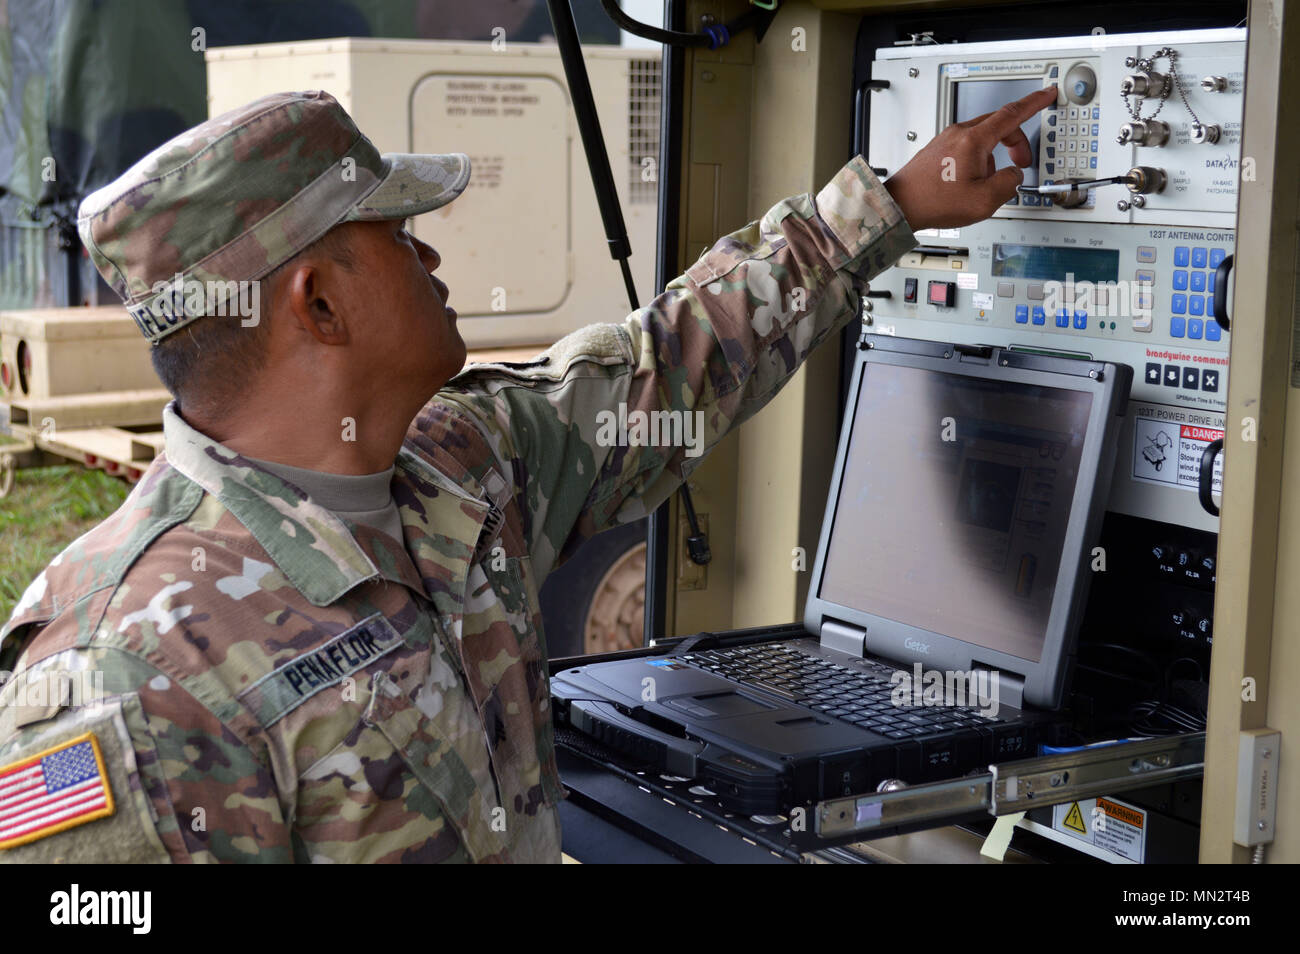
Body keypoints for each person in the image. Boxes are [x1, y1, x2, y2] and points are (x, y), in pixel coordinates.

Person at [0, 85, 1056, 862]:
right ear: (318, 304)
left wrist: (888, 208)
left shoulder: (453, 466)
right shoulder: (123, 681)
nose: (433, 259)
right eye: (398, 236)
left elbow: (668, 370)